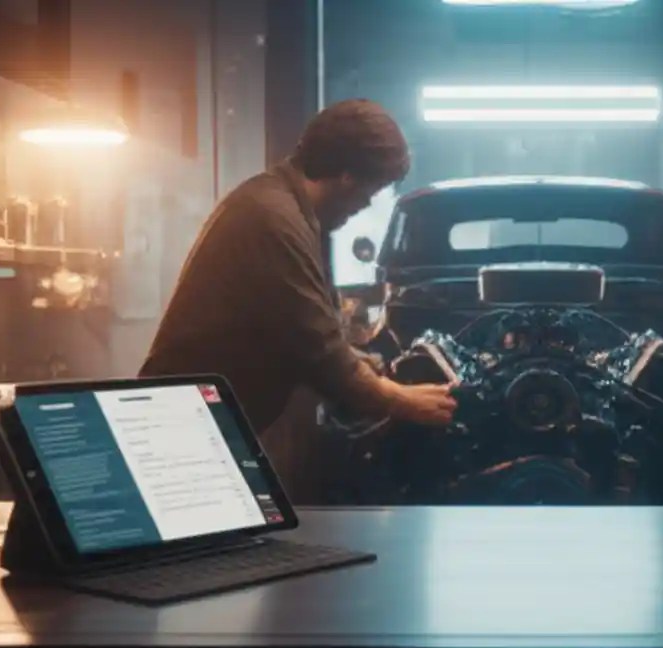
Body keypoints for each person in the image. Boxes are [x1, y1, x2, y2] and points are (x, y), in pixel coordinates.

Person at [140, 99, 456, 486]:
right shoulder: (273, 220)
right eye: (371, 190)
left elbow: (304, 329)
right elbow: (320, 350)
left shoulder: (281, 207)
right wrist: (405, 401)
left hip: (198, 423)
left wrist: (368, 364)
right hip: (183, 432)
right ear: (347, 178)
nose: (367, 203)